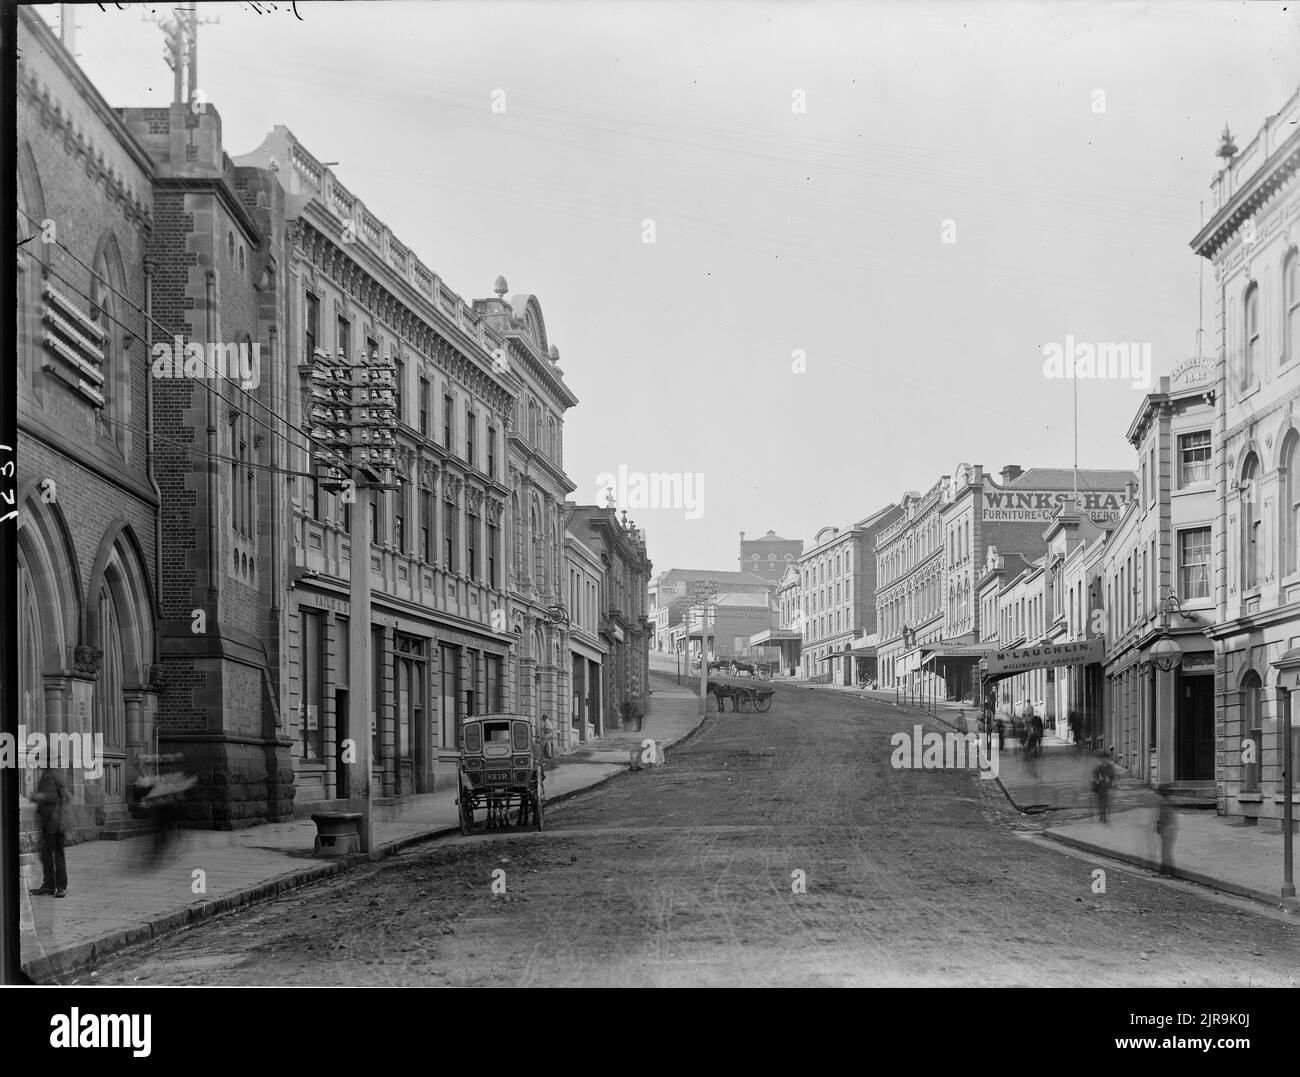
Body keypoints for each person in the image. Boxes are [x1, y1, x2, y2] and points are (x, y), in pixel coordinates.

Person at [30, 767, 70, 898]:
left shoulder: (51, 774)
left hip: (54, 822)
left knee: (56, 855)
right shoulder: (52, 773)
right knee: (47, 855)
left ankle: (60, 887)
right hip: (52, 821)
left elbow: (54, 796)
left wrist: (39, 796)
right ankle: (50, 885)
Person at [1155, 792, 1178, 875]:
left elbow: (1165, 818)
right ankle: (1163, 872)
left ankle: (1168, 873)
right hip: (1169, 829)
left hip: (1167, 830)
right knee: (1165, 852)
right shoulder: (1167, 802)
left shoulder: (1164, 803)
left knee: (1165, 853)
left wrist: (1159, 826)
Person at [1091, 757, 1117, 823]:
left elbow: (1112, 776)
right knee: (1102, 802)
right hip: (1101, 787)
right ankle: (1102, 816)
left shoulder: (1107, 767)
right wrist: (1097, 781)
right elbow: (1094, 775)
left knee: (1103, 802)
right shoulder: (1100, 767)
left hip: (1104, 786)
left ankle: (1103, 816)